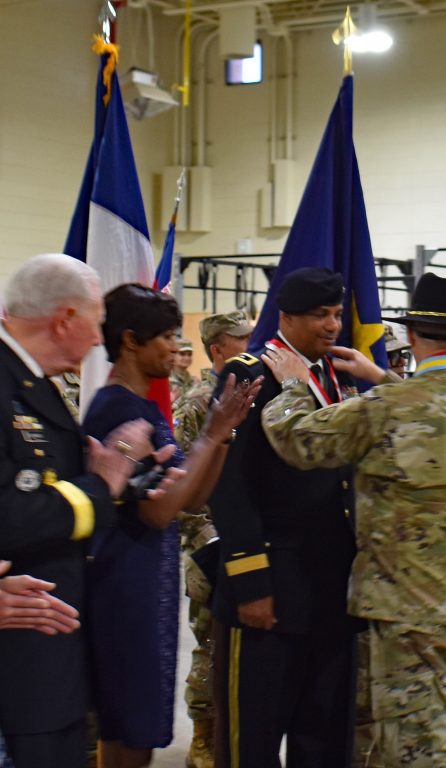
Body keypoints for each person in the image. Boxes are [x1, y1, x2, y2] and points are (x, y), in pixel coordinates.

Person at [261, 272, 446, 768]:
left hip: (412, 616)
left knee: (416, 753)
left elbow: (298, 439)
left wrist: (295, 385)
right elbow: (437, 410)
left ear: (411, 336)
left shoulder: (384, 409)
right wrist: (383, 379)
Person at [209, 267, 384, 768]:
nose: (331, 326)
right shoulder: (250, 374)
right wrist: (250, 581)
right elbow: (231, 483)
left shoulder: (336, 373)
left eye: (335, 315)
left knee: (326, 738)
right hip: (273, 589)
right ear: (285, 316)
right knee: (253, 740)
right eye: (318, 316)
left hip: (331, 587)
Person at [82, 284, 261, 768]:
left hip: (147, 579)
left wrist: (220, 437)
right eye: (163, 336)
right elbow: (158, 510)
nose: (174, 348)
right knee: (127, 726)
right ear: (130, 341)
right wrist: (213, 433)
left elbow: (193, 496)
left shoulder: (145, 406)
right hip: (123, 584)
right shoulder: (117, 409)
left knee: (137, 726)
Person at [0, 254, 163, 768]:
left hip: (51, 643)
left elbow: (51, 481)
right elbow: (10, 515)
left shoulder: (33, 383)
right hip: (22, 650)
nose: (99, 340)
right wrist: (101, 486)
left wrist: (128, 481)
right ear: (65, 319)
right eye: (95, 323)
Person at [174, 311, 252, 768]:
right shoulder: (202, 401)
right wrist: (208, 542)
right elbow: (185, 484)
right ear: (217, 348)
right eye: (239, 339)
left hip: (249, 540)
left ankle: (234, 734)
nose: (249, 345)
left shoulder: (254, 391)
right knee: (210, 645)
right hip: (211, 544)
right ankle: (204, 734)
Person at [170, 338, 199, 405]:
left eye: (189, 354)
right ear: (173, 356)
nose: (187, 358)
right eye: (182, 354)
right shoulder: (167, 382)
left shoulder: (194, 381)